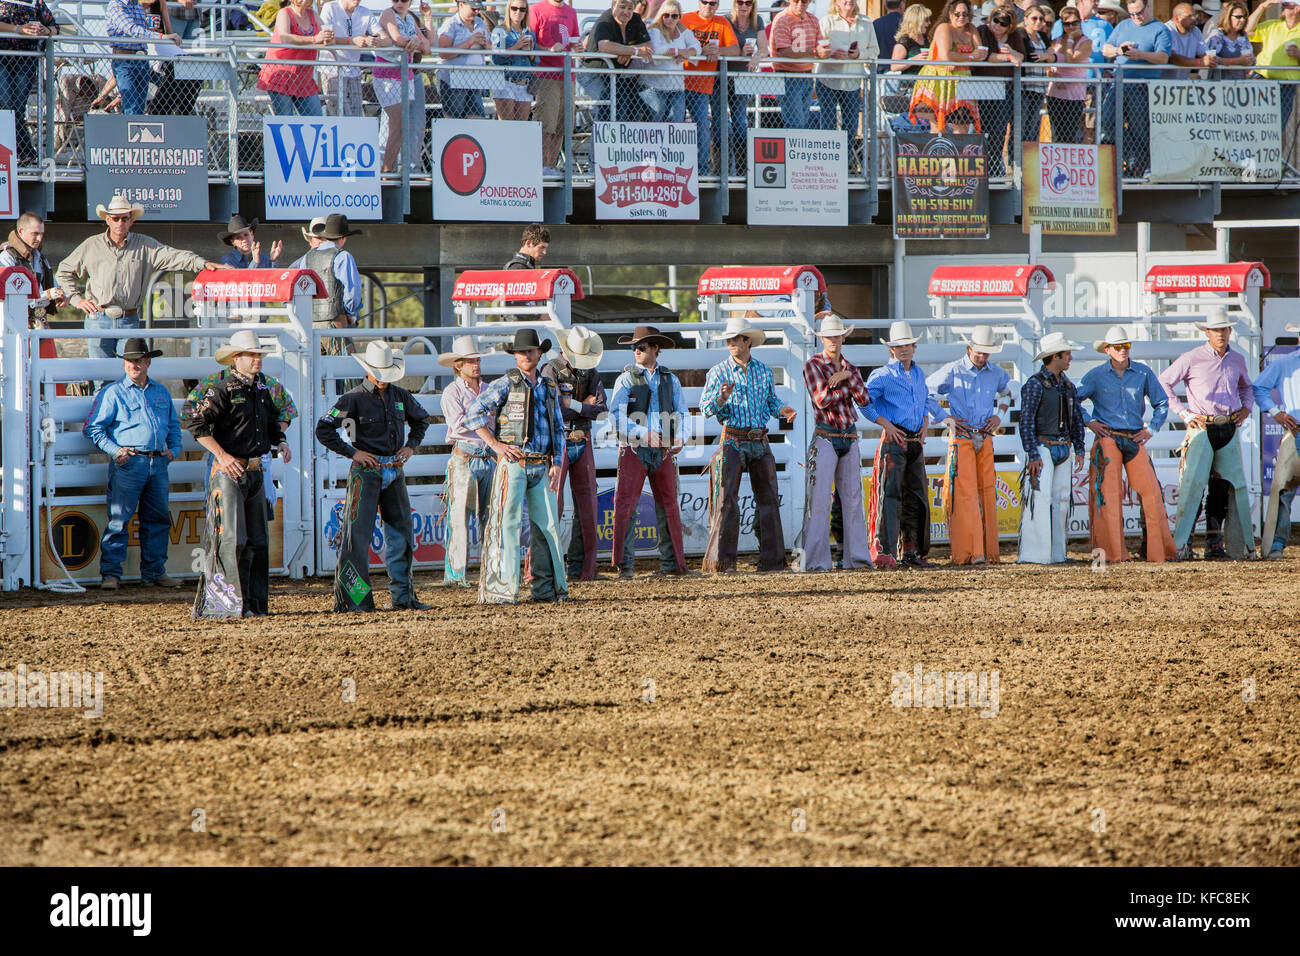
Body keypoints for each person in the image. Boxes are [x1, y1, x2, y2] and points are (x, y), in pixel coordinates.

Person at [315, 340, 431, 612]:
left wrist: (411, 446)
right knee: (358, 536)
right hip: (366, 471)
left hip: (392, 468)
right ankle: (356, 601)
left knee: (401, 534)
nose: (383, 379)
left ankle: (403, 597)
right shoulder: (352, 399)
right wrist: (353, 453)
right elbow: (324, 429)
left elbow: (421, 420)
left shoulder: (400, 396)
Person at [190, 330, 293, 619]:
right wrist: (221, 456)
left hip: (256, 471)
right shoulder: (222, 389)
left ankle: (254, 604)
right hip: (232, 471)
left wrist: (280, 441)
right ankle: (231, 604)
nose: (257, 359)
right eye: (252, 354)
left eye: (259, 354)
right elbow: (197, 424)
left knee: (258, 541)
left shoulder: (262, 390)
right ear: (237, 358)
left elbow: (272, 423)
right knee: (234, 539)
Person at [462, 328, 568, 604]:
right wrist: (495, 445)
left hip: (539, 464)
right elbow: (473, 414)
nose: (525, 355)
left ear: (539, 353)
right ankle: (505, 590)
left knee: (546, 526)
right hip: (515, 463)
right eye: (521, 352)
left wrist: (556, 462)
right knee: (509, 524)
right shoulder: (506, 384)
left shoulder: (548, 387)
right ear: (516, 356)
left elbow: (558, 427)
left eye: (529, 351)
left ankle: (544, 589)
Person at [56, 195, 226, 362]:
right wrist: (76, 299)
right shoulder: (92, 245)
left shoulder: (145, 245)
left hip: (129, 319)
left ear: (131, 220)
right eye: (116, 218)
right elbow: (64, 271)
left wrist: (202, 263)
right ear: (107, 219)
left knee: (133, 373)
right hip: (99, 317)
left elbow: (173, 256)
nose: (120, 223)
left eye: (124, 218)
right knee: (101, 377)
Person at [82, 338, 183, 590]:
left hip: (156, 461)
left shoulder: (161, 391)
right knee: (119, 520)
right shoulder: (113, 392)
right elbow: (92, 428)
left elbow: (173, 426)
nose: (134, 365)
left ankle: (152, 572)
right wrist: (116, 451)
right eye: (130, 361)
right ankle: (112, 574)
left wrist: (174, 450)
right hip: (130, 462)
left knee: (157, 519)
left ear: (147, 362)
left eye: (138, 360)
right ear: (125, 363)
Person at [1158, 308, 1257, 560]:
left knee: (1221, 488)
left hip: (1227, 426)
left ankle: (1213, 544)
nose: (1220, 334)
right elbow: (1163, 382)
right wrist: (1183, 413)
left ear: (1229, 331)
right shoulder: (1192, 358)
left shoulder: (1238, 360)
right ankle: (1183, 545)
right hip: (1201, 426)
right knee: (1193, 486)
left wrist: (1246, 408)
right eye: (1216, 330)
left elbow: (1247, 387)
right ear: (1208, 332)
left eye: (1224, 329)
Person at [699, 315, 795, 573]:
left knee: (769, 498)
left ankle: (772, 561)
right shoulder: (718, 372)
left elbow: (771, 402)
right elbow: (705, 408)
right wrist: (721, 397)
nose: (731, 343)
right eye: (729, 340)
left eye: (735, 339)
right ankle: (723, 562)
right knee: (727, 500)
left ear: (747, 341)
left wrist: (783, 409)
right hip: (733, 439)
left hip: (758, 438)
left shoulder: (763, 371)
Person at [1076, 325, 1177, 563]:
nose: (1123, 350)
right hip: (1108, 437)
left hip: (1132, 437)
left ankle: (1158, 552)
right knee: (1107, 496)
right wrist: (1089, 421)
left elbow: (1162, 403)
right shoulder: (1095, 376)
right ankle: (1111, 554)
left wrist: (1151, 429)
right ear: (1108, 349)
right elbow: (1074, 401)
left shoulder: (1142, 372)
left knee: (1151, 492)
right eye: (1118, 347)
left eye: (1126, 346)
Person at [609, 325, 693, 578]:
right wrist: (643, 433)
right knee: (627, 506)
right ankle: (626, 566)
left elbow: (682, 412)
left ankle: (672, 564)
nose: (636, 350)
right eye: (635, 346)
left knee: (667, 505)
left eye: (642, 346)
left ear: (655, 349)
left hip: (662, 449)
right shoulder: (625, 379)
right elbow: (615, 416)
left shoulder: (670, 379)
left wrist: (681, 436)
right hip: (635, 448)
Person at [865, 320, 946, 569]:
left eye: (907, 345)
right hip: (895, 438)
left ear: (913, 347)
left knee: (916, 497)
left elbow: (923, 397)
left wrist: (924, 420)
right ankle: (884, 552)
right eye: (898, 346)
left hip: (912, 440)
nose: (903, 349)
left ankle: (912, 552)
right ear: (891, 350)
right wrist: (885, 424)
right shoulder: (882, 375)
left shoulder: (918, 374)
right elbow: (864, 402)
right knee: (889, 496)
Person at [927, 325, 1010, 566]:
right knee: (966, 495)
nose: (982, 357)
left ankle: (984, 552)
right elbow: (927, 391)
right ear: (969, 348)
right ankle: (973, 552)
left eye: (986, 353)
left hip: (983, 434)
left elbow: (1008, 393)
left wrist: (999, 415)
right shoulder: (953, 370)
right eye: (979, 352)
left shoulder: (994, 372)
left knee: (984, 491)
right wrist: (945, 418)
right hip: (963, 435)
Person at [799, 313, 871, 572]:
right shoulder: (813, 365)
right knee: (820, 502)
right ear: (823, 338)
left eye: (837, 336)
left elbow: (864, 399)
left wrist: (844, 380)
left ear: (842, 337)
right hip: (828, 435)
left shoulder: (848, 369)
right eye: (829, 336)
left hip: (845, 436)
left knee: (852, 500)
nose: (833, 340)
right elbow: (821, 399)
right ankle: (817, 562)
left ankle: (856, 560)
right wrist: (847, 383)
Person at [536, 326, 607, 582]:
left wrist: (573, 405)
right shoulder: (551, 370)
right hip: (561, 441)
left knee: (588, 506)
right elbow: (552, 408)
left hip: (578, 438)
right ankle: (543, 570)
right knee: (554, 504)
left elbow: (602, 410)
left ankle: (583, 570)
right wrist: (584, 406)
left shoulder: (575, 371)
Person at [1017, 331, 1085, 565]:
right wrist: (1032, 453)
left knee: (1060, 499)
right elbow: (1025, 421)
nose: (1070, 358)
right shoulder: (1036, 385)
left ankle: (1054, 554)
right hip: (1044, 446)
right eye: (1067, 354)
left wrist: (1079, 445)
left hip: (1058, 445)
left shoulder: (1065, 385)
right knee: (1042, 496)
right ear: (1055, 356)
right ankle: (1036, 555)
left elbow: (1075, 417)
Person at [438, 334, 496, 587]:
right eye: (470, 361)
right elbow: (458, 425)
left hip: (484, 455)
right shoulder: (452, 392)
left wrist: (479, 421)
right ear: (458, 365)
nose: (476, 364)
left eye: (477, 359)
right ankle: (455, 574)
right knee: (459, 517)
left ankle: (490, 569)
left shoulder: (488, 388)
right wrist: (483, 418)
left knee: (490, 515)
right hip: (466, 457)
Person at [1100, 0, 1171, 178]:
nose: (1135, 17)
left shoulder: (1160, 29)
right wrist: (1119, 50)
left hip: (1142, 86)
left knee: (1140, 129)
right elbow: (1105, 49)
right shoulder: (1123, 25)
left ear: (1148, 7)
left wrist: (1140, 55)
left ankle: (1139, 168)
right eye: (1131, 14)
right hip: (1119, 83)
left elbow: (1163, 58)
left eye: (1139, 13)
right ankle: (1134, 157)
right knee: (1107, 121)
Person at [1253, 323, 1300, 558]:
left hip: (1295, 431)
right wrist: (1276, 413)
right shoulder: (1284, 362)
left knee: (1283, 489)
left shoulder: (1284, 363)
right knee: (1283, 489)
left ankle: (1275, 545)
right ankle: (1275, 544)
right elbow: (1259, 387)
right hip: (1295, 431)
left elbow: (1259, 388)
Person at [909, 0, 986, 135]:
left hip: (962, 81)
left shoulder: (971, 29)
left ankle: (958, 155)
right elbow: (946, 55)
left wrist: (958, 59)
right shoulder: (944, 28)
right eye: (957, 14)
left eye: (965, 14)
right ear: (950, 14)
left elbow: (981, 53)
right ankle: (937, 155)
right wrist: (970, 56)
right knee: (938, 125)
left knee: (962, 124)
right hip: (939, 80)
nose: (961, 17)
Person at [816, 0, 878, 168]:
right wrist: (831, 55)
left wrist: (858, 54)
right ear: (836, 2)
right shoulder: (826, 21)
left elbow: (874, 51)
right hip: (828, 80)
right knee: (827, 123)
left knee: (851, 126)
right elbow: (817, 50)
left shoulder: (866, 23)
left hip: (853, 82)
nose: (848, 1)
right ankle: (826, 164)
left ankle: (842, 164)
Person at [682, 0, 739, 174]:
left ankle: (701, 171)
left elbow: (735, 49)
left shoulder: (721, 22)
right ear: (698, 3)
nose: (708, 6)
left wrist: (717, 51)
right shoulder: (685, 19)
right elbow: (675, 43)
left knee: (703, 130)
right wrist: (700, 50)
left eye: (713, 3)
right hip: (678, 83)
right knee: (675, 125)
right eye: (705, 2)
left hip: (702, 87)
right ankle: (674, 168)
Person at [377, 0, 434, 172]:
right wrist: (415, 43)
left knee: (403, 126)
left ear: (410, 2)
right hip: (388, 76)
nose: (399, 3)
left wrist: (417, 42)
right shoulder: (388, 13)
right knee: (396, 124)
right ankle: (386, 171)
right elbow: (398, 39)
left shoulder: (409, 18)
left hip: (406, 76)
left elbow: (428, 47)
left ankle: (390, 171)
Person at [0, 0, 57, 162]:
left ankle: (23, 154)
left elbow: (54, 28)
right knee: (7, 104)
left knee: (17, 107)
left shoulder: (35, 2)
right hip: (2, 57)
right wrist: (18, 29)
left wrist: (45, 30)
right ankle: (24, 152)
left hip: (26, 59)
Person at [528, 0, 581, 176]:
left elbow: (573, 42)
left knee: (562, 123)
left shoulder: (571, 12)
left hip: (567, 74)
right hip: (545, 74)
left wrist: (578, 47)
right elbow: (530, 43)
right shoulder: (536, 9)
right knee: (546, 122)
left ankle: (550, 166)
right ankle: (540, 165)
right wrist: (548, 49)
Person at [977, 6, 1030, 175]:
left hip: (1004, 89)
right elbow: (987, 56)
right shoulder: (982, 31)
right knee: (979, 128)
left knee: (999, 130)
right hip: (982, 87)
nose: (997, 25)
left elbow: (1021, 57)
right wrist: (1008, 57)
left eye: (1003, 23)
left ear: (1010, 26)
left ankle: (993, 168)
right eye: (995, 20)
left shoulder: (1014, 35)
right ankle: (978, 166)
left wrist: (1013, 52)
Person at [304, 213, 364, 357]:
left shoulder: (307, 257)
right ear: (343, 238)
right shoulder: (343, 256)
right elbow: (353, 294)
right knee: (344, 372)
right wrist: (351, 314)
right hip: (335, 322)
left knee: (316, 374)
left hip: (310, 322)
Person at [107, 0, 182, 115]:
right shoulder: (116, 4)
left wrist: (156, 33)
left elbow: (141, 31)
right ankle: (132, 130)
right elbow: (131, 29)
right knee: (131, 108)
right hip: (125, 60)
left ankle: (135, 130)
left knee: (139, 108)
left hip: (142, 61)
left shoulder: (137, 6)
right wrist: (162, 36)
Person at [258, 0, 332, 116]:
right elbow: (285, 37)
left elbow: (328, 36)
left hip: (303, 77)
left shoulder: (313, 14)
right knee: (285, 119)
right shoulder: (284, 13)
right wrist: (313, 39)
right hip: (281, 75)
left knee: (316, 119)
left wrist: (351, 40)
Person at [590, 0, 654, 122]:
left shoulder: (635, 19)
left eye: (630, 8)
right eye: (622, 7)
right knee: (606, 108)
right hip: (594, 73)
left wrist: (627, 51)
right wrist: (633, 51)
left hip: (617, 75)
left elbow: (649, 47)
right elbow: (604, 46)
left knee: (626, 110)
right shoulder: (606, 20)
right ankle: (598, 141)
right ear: (614, 6)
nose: (626, 12)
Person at [0, 211, 66, 328]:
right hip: (13, 327)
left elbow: (53, 288)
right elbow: (9, 300)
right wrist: (46, 295)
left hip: (39, 322)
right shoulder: (6, 258)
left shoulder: (41, 259)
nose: (39, 238)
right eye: (35, 233)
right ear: (20, 231)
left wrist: (60, 295)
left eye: (41, 234)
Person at [320, 0, 386, 116]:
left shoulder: (365, 12)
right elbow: (326, 40)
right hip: (332, 71)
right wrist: (352, 40)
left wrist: (375, 40)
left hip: (354, 71)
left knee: (356, 115)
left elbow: (385, 38)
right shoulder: (330, 8)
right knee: (341, 115)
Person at [1247, 0, 1300, 141]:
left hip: (1287, 85)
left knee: (1279, 127)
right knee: (1252, 122)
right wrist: (1261, 7)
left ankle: (1277, 162)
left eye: (1286, 5)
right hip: (1262, 80)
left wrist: (1299, 55)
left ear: (1297, 9)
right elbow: (1247, 31)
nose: (1282, 7)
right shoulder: (1272, 25)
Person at [725, 0, 768, 173]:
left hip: (742, 80)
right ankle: (724, 168)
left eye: (748, 3)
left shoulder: (757, 21)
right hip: (722, 76)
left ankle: (742, 169)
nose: (744, 6)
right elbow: (723, 47)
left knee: (740, 125)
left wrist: (757, 55)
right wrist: (738, 53)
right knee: (721, 125)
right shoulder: (725, 20)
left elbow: (765, 48)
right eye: (740, 2)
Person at [641, 1, 699, 124]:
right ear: (661, 15)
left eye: (674, 16)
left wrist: (688, 53)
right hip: (654, 86)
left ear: (679, 17)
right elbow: (657, 50)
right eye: (666, 15)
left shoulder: (682, 30)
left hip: (676, 87)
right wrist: (678, 51)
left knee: (677, 123)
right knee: (656, 123)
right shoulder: (654, 29)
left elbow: (697, 46)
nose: (669, 19)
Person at [770, 0, 823, 130]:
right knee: (795, 122)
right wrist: (815, 52)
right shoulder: (782, 19)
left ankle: (794, 149)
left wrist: (827, 51)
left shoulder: (813, 20)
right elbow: (784, 51)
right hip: (787, 76)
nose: (800, 4)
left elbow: (820, 46)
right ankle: (789, 150)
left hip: (807, 75)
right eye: (796, 0)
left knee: (803, 121)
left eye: (804, 1)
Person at [1046, 6, 1092, 143]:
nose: (1071, 26)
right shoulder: (1056, 42)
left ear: (1080, 22)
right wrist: (1054, 75)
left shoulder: (1087, 42)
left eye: (1074, 23)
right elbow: (1050, 63)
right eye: (1067, 24)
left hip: (1075, 95)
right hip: (1055, 92)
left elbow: (1072, 59)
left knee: (1069, 134)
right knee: (1056, 134)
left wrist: (1071, 39)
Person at [885, 4, 933, 136]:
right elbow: (894, 66)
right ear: (917, 20)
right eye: (926, 20)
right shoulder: (905, 41)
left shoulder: (925, 39)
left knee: (928, 124)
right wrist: (914, 60)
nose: (929, 23)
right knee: (918, 125)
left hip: (926, 88)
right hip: (910, 89)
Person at [439, 0, 490, 119]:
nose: (476, 12)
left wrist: (486, 45)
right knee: (454, 120)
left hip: (475, 79)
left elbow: (489, 45)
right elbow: (443, 52)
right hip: (453, 80)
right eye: (473, 8)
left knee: (477, 119)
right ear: (461, 4)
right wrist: (469, 42)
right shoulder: (451, 24)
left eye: (478, 9)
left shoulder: (479, 22)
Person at [491, 0, 538, 122]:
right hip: (505, 82)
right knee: (507, 126)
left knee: (521, 127)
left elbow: (535, 61)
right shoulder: (500, 31)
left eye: (522, 9)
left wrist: (531, 51)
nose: (518, 12)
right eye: (514, 8)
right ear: (509, 9)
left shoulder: (529, 32)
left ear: (526, 12)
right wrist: (516, 47)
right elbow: (496, 58)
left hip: (524, 84)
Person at [1016, 5, 1053, 144]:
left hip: (1039, 86)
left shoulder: (1042, 35)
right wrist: (1046, 56)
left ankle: (1028, 160)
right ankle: (1016, 161)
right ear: (1026, 19)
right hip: (1024, 87)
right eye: (1034, 18)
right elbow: (1030, 56)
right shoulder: (1021, 33)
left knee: (1033, 126)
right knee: (1021, 126)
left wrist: (1045, 56)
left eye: (1041, 19)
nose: (1038, 22)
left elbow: (1052, 55)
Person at [1204, 3, 1255, 80]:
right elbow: (1210, 59)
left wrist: (1250, 61)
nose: (1242, 20)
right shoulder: (1217, 35)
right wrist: (1238, 61)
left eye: (1244, 17)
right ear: (1228, 17)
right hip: (1218, 83)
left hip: (1239, 84)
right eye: (1238, 17)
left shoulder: (1243, 36)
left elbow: (1250, 59)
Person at [218, 214, 283, 269]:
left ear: (252, 234)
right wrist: (255, 262)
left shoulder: (265, 258)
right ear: (232, 242)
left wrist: (273, 261)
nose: (244, 240)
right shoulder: (227, 260)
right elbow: (244, 281)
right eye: (238, 237)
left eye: (246, 235)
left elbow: (274, 280)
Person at [1166, 2, 1211, 78]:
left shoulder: (1195, 30)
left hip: (1184, 82)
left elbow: (1205, 53)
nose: (1194, 19)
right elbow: (1173, 58)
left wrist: (1211, 58)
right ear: (1176, 19)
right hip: (1163, 83)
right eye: (1189, 16)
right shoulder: (1167, 30)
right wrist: (1201, 62)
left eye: (1194, 15)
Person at [874, 0, 905, 67]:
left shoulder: (876, 24)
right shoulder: (909, 23)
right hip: (903, 71)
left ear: (885, 5)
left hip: (882, 71)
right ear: (902, 4)